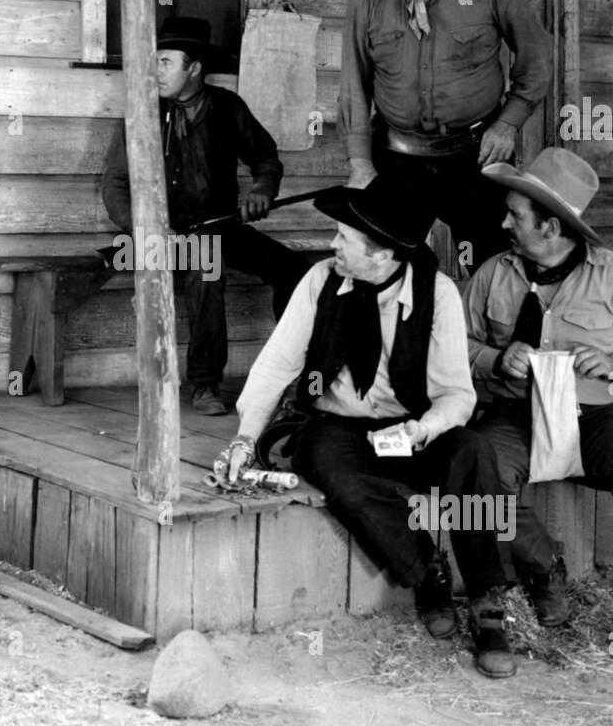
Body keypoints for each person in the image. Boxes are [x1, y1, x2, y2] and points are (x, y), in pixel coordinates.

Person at [219, 182, 518, 678]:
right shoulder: (319, 281)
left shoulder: (436, 292)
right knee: (332, 467)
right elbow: (275, 366)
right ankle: (428, 573)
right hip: (338, 428)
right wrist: (245, 439)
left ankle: (488, 608)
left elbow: (457, 395)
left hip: (412, 426)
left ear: (382, 256)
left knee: (472, 452)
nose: (332, 245)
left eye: (343, 237)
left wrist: (421, 431)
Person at [465, 148, 613, 659]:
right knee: (476, 467)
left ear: (550, 226)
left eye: (515, 214)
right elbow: (451, 349)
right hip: (516, 415)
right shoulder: (493, 273)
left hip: (595, 418)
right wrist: (493, 358)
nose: (503, 222)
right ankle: (542, 569)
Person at [337, 0, 553, 269]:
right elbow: (353, 85)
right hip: (396, 161)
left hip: (475, 159)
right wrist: (360, 163)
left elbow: (536, 60)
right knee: (382, 267)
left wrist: (507, 125)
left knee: (497, 268)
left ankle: (502, 332)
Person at [101, 17, 308, 415]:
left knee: (295, 272)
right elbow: (115, 182)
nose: (156, 71)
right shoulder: (142, 112)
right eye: (155, 61)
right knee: (206, 268)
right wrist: (142, 228)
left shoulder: (228, 107)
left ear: (193, 68)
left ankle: (291, 375)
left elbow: (265, 158)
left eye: (166, 62)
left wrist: (262, 191)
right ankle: (206, 383)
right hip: (165, 237)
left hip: (222, 227)